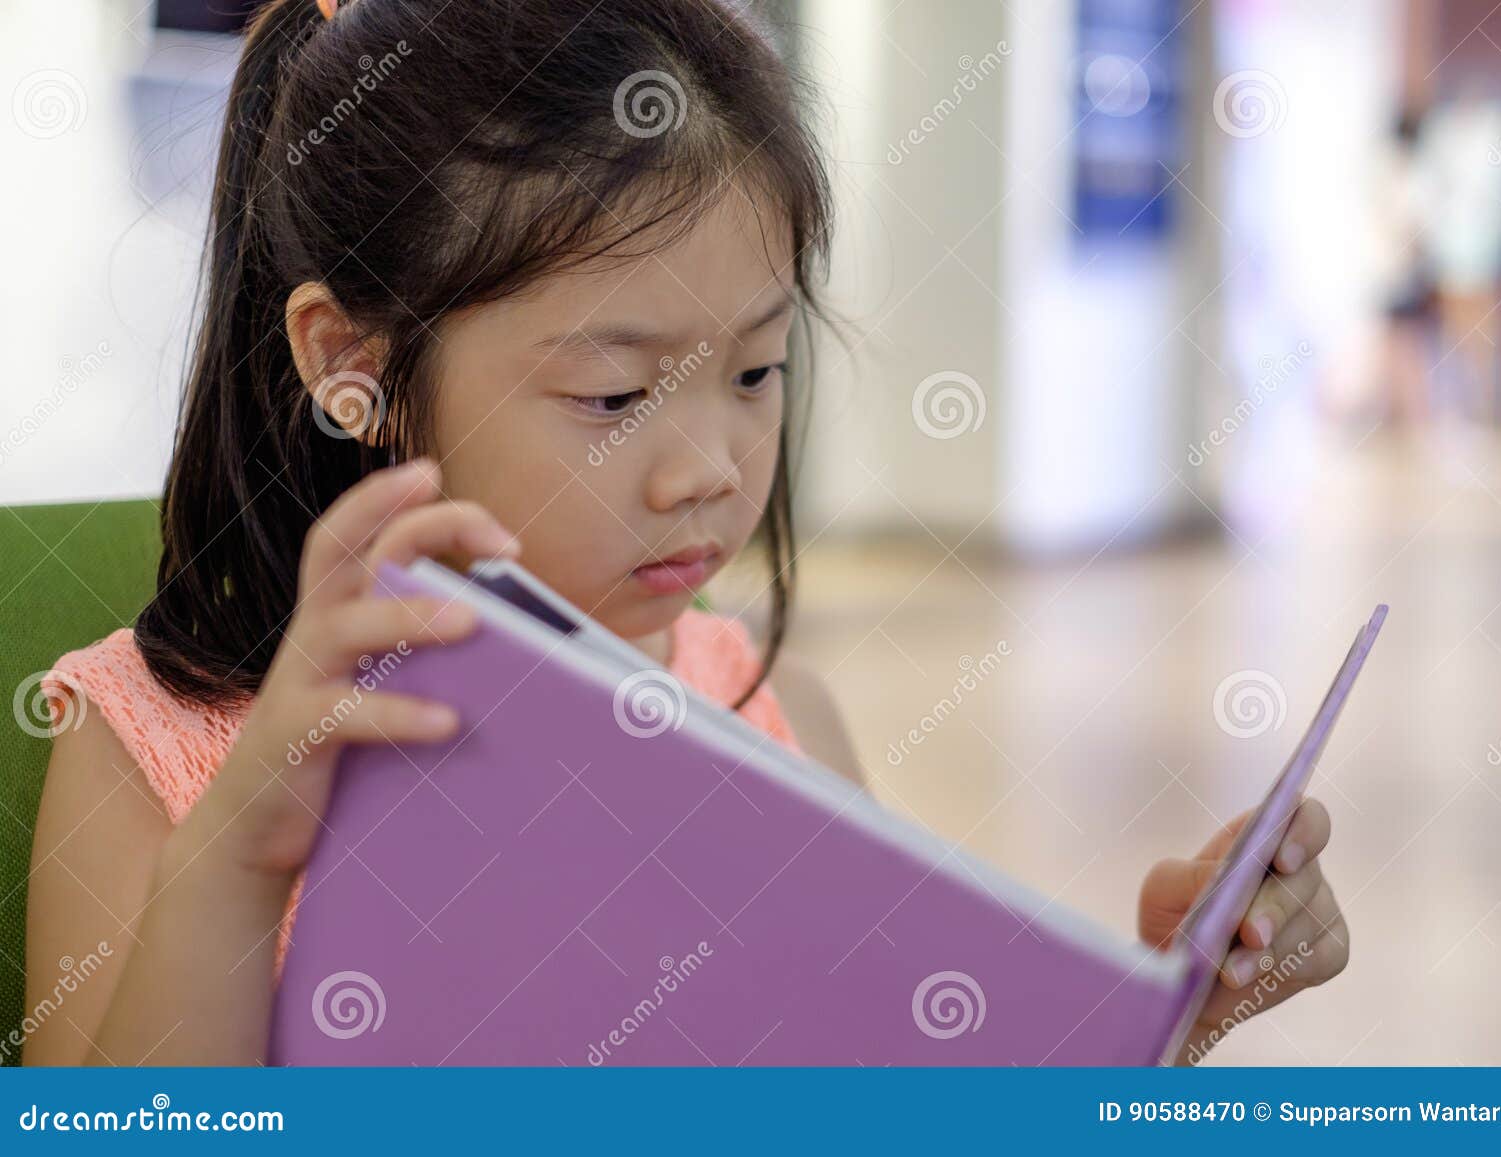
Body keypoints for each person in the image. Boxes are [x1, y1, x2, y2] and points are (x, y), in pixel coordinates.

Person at [23, 0, 1347, 1066]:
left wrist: (1165, 1026)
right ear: (351, 360)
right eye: (615, 395)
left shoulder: (774, 717)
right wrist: (245, 850)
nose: (711, 470)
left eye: (759, 372)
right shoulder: (152, 740)